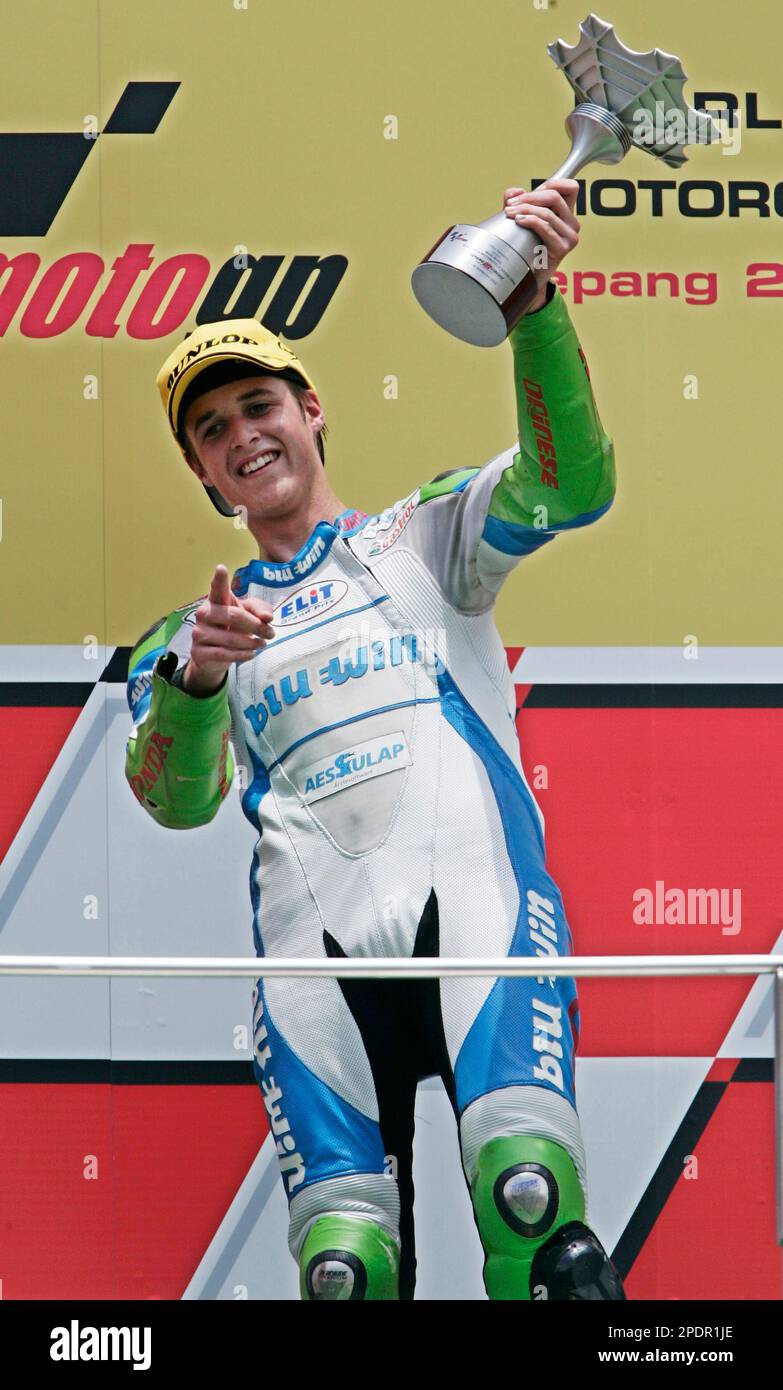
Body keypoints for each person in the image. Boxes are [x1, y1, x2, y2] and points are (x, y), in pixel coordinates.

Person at [125, 178, 626, 1301]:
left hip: (480, 913)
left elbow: (572, 486)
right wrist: (203, 678)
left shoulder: (427, 533)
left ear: (310, 411)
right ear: (206, 479)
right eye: (211, 430)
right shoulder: (190, 635)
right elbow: (173, 799)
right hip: (313, 968)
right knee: (346, 1274)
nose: (242, 435)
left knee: (532, 1203)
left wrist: (536, 307)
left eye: (259, 405)